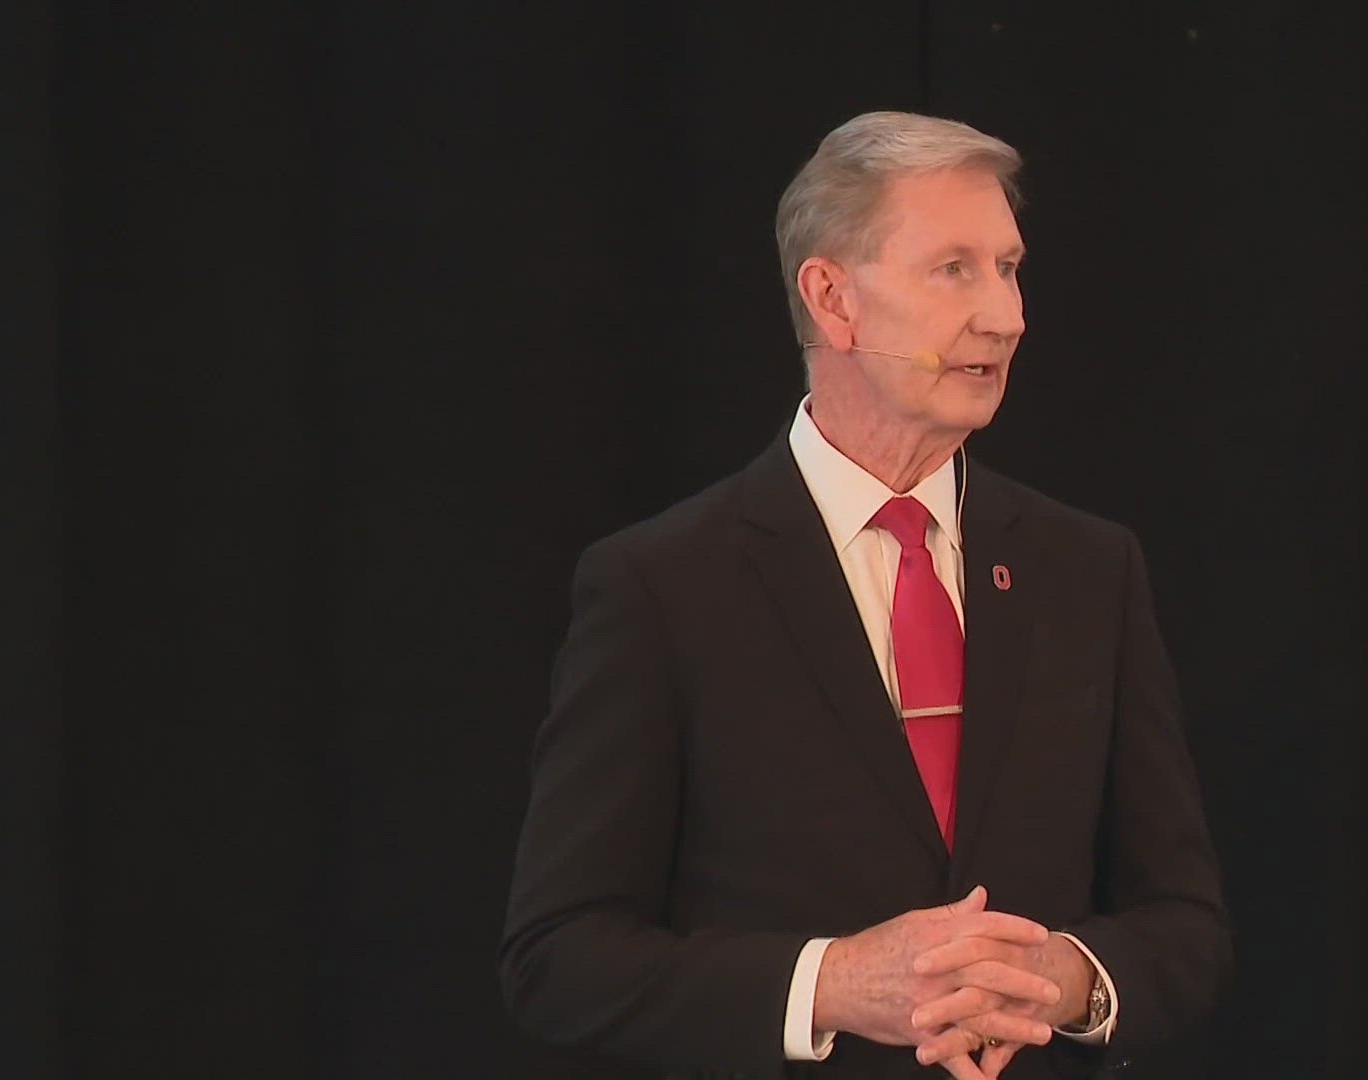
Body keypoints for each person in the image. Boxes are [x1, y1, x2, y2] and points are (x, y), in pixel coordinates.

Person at [500, 111, 1229, 1079]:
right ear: (833, 300)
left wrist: (1067, 980)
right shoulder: (660, 587)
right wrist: (834, 983)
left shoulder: (1089, 569)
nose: (1008, 316)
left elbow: (1184, 922)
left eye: (1009, 269)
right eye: (954, 269)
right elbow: (559, 958)